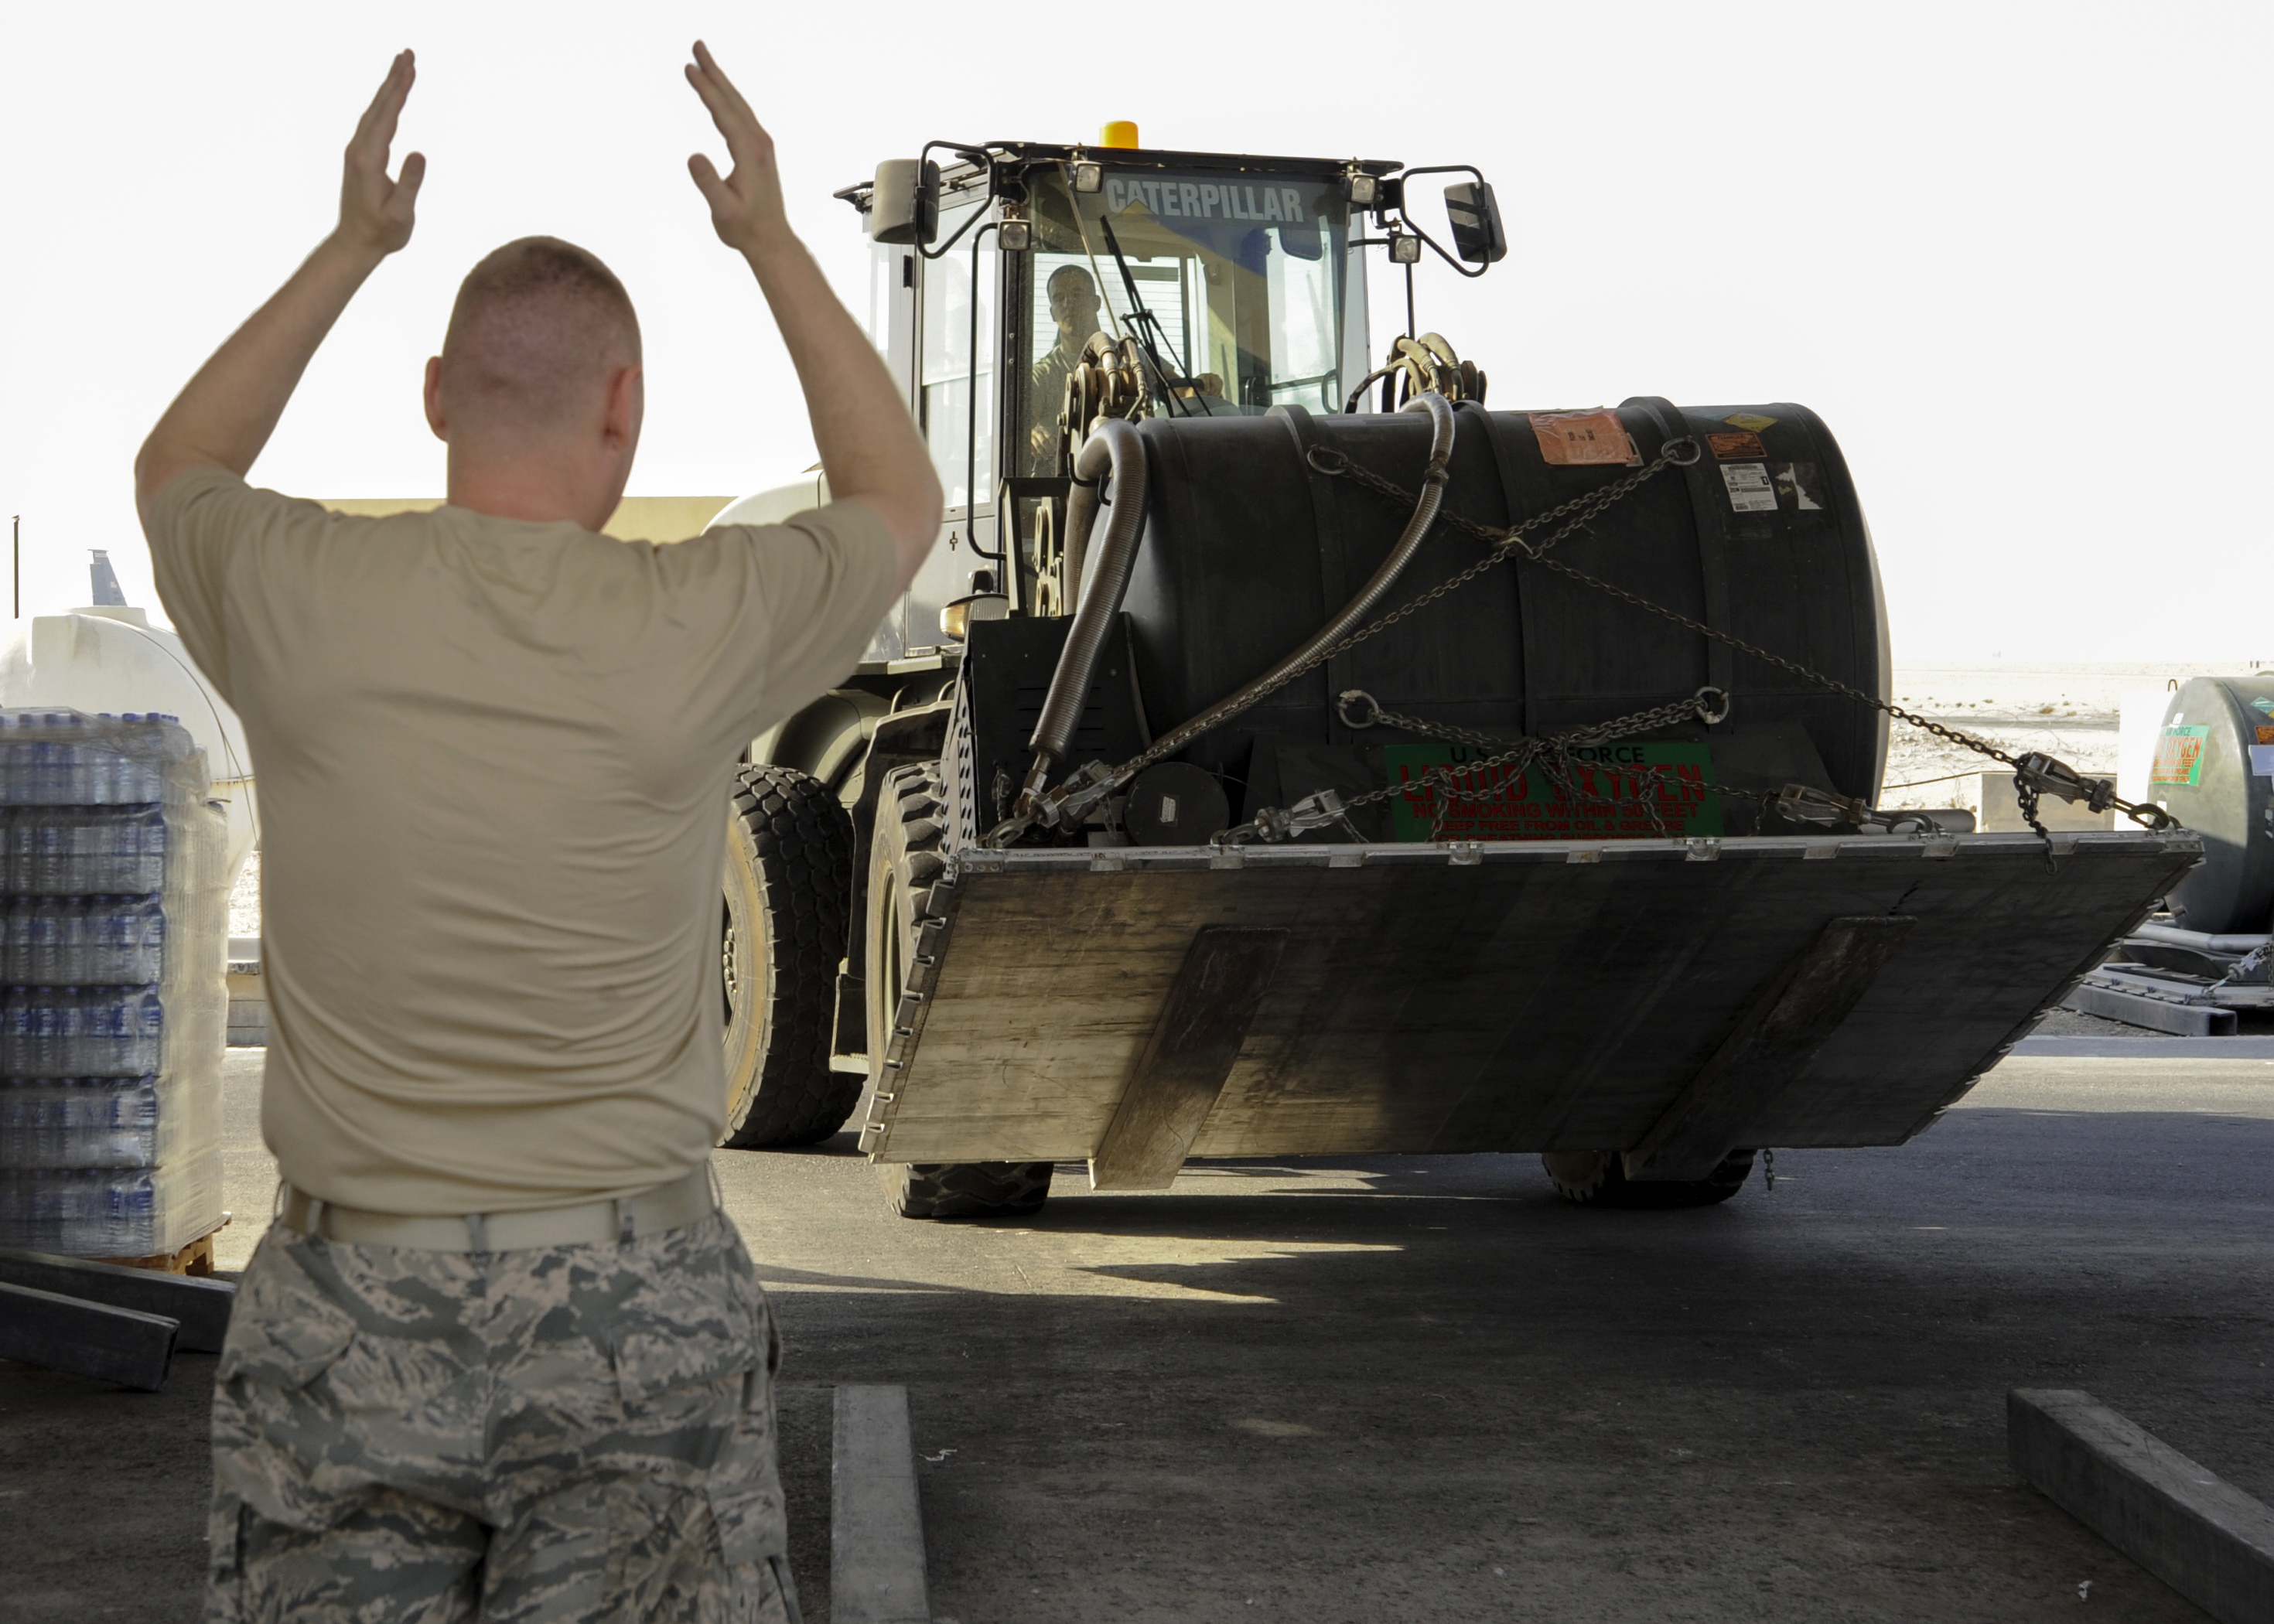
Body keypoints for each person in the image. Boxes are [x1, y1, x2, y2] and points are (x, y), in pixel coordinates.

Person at [135, 43, 941, 1623]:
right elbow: (895, 498)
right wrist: (773, 239)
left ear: (434, 397)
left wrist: (354, 244)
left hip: (344, 1301)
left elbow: (179, 464)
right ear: (626, 409)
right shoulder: (692, 618)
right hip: (631, 1315)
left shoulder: (302, 598)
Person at [1026, 263, 1105, 467]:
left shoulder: (1131, 357)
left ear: (1096, 302)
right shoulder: (1041, 375)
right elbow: (1021, 427)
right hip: (1061, 487)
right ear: (1053, 313)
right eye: (1059, 298)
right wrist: (1031, 435)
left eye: (1077, 294)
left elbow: (1179, 390)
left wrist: (1198, 385)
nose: (1068, 303)